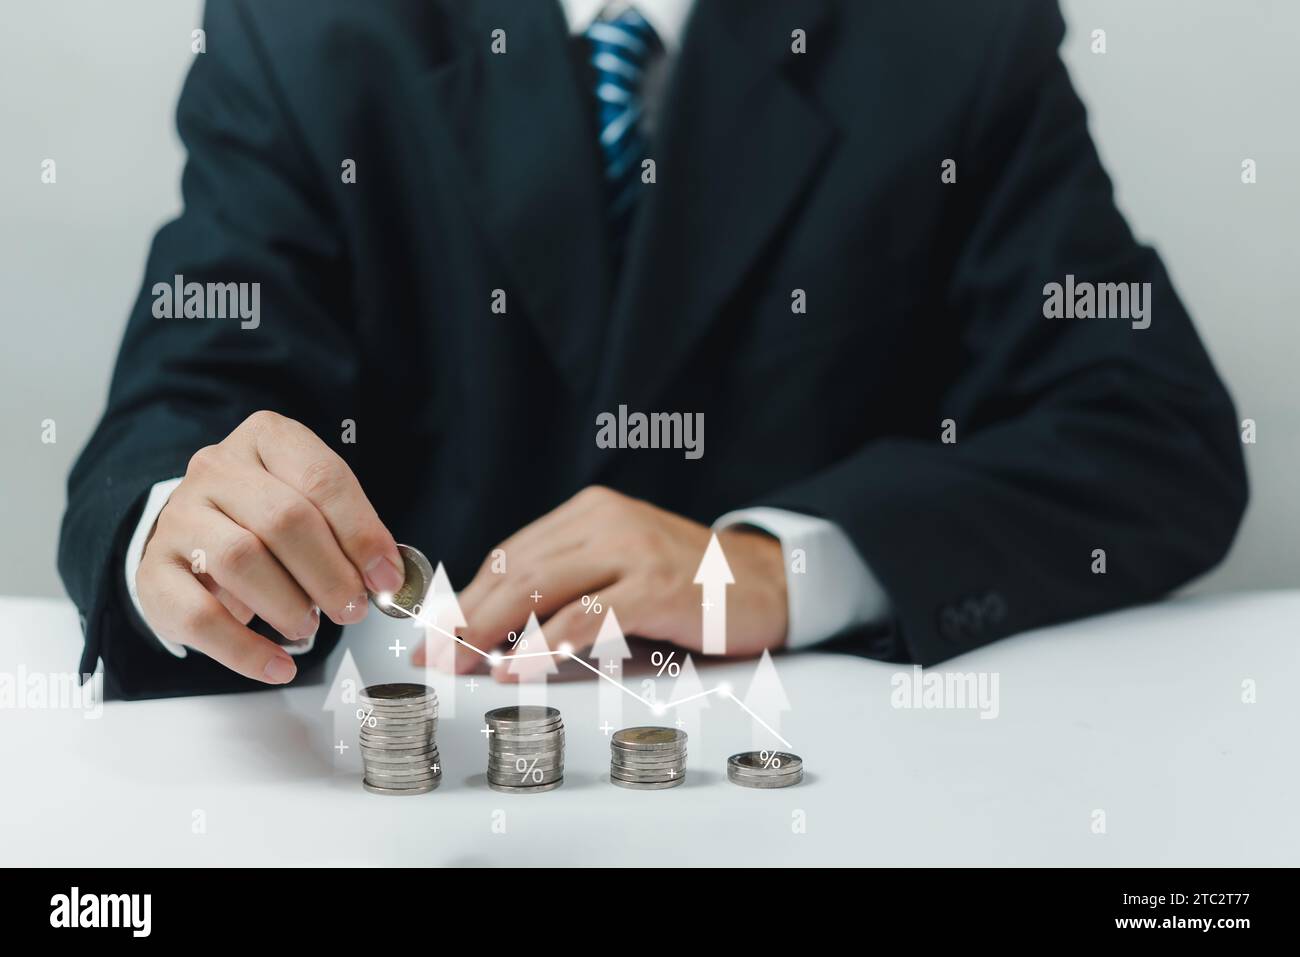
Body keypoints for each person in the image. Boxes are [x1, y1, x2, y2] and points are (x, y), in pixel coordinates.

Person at [60, 0, 1247, 700]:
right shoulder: (303, 29)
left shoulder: (949, 32)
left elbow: (1151, 433)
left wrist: (784, 567)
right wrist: (181, 532)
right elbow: (183, 405)